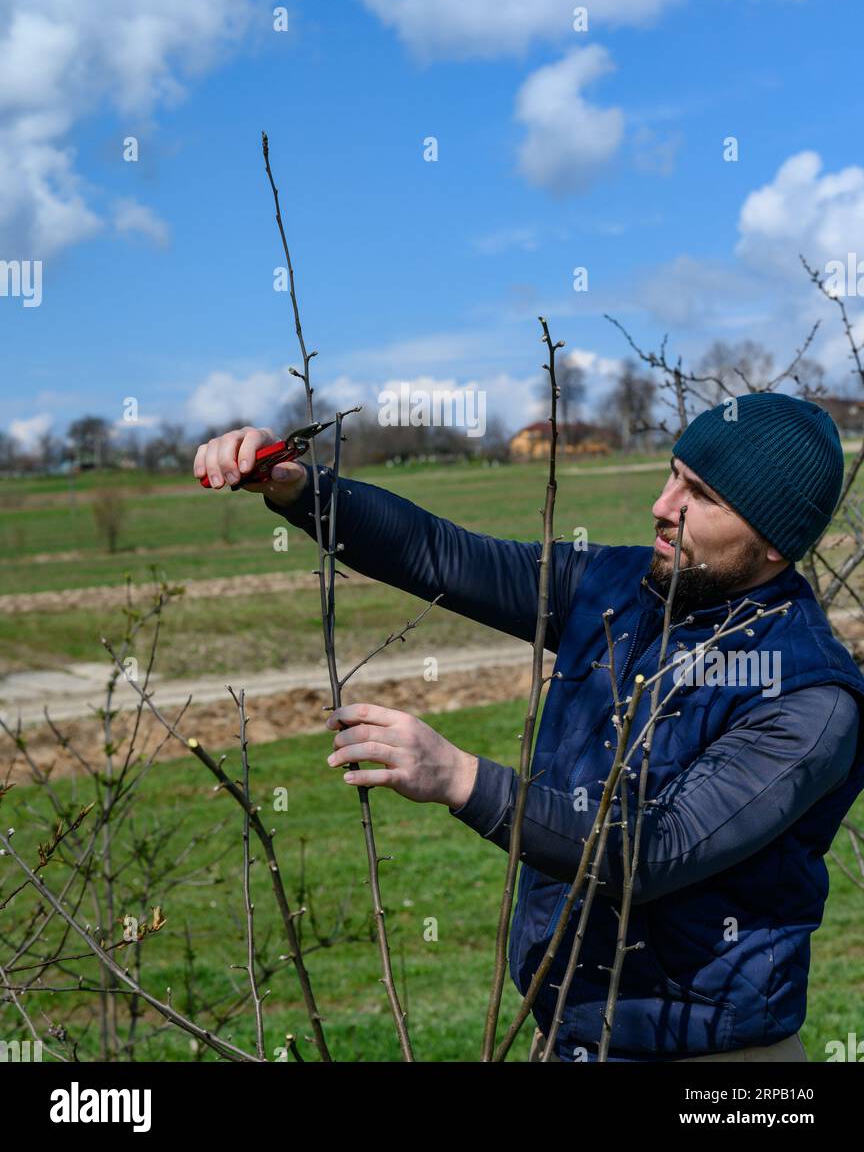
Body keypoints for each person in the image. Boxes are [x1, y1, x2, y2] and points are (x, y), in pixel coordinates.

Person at [194, 393, 864, 1062]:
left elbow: (654, 852)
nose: (662, 506)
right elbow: (441, 555)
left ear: (775, 540)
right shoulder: (611, 588)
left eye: (702, 495)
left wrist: (461, 779)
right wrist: (301, 490)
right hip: (568, 1034)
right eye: (672, 474)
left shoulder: (810, 701)